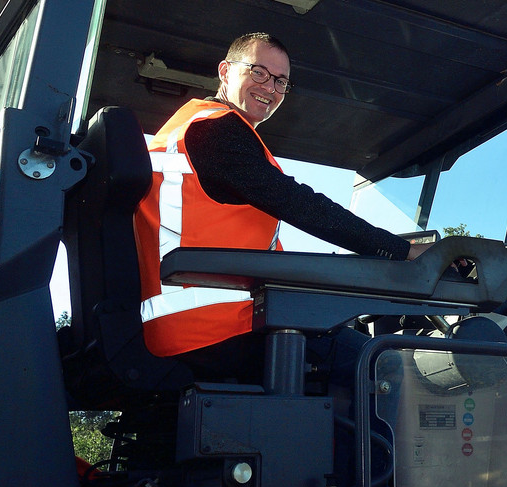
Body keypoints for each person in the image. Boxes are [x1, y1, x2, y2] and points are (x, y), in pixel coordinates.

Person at [133, 32, 424, 375]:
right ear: (225, 72)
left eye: (281, 81)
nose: (270, 89)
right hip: (219, 332)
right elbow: (304, 206)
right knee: (387, 366)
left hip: (189, 329)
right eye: (259, 72)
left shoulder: (185, 129)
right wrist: (402, 252)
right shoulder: (215, 132)